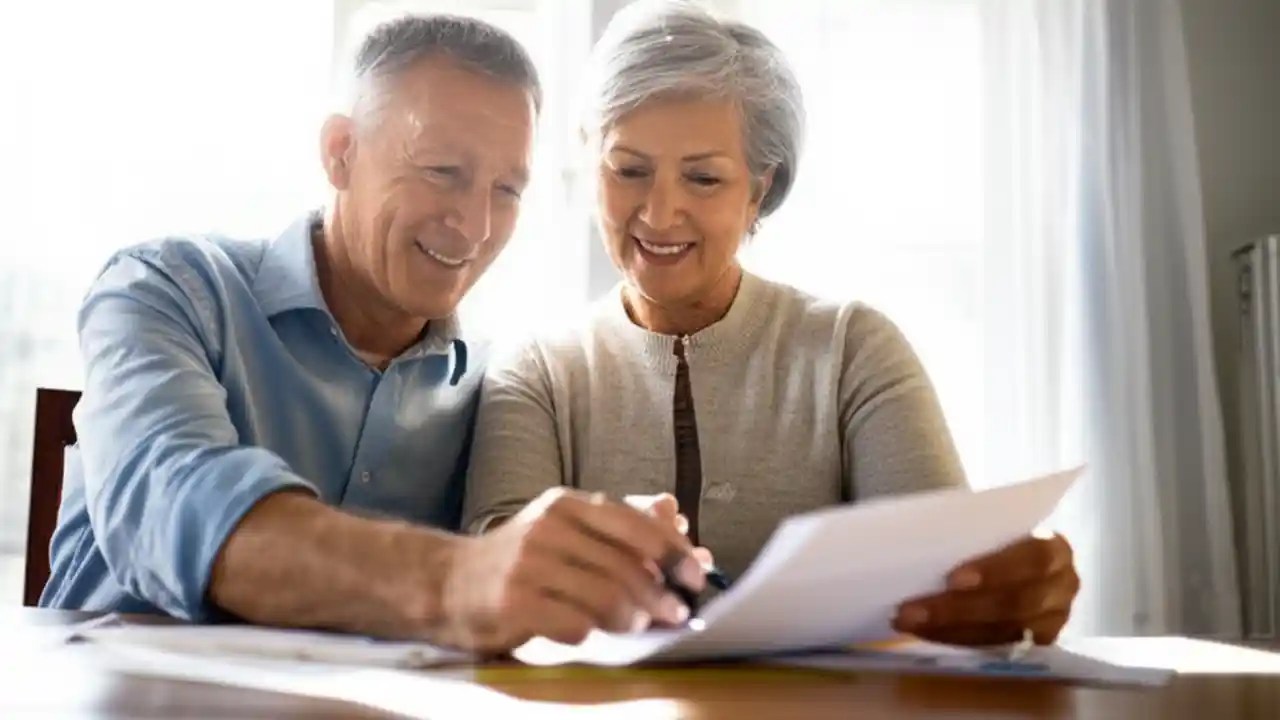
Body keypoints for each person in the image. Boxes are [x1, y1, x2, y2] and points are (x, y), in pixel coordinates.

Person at [40, 14, 707, 652]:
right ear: (340, 153)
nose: (475, 226)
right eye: (443, 172)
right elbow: (171, 502)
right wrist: (458, 579)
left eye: (507, 190)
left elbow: (521, 568)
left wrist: (624, 569)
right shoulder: (164, 290)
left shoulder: (495, 383)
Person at [463, 1, 1080, 646]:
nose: (661, 210)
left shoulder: (852, 351)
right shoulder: (535, 371)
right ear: (591, 169)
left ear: (759, 190)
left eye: (703, 177)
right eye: (629, 170)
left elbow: (949, 583)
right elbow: (492, 598)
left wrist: (1002, 589)